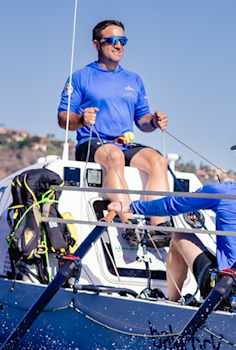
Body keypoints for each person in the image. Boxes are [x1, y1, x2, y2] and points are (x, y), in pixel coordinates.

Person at [109, 132, 236, 306]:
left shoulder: (223, 192)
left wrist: (130, 207)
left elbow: (171, 205)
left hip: (231, 292)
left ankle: (172, 304)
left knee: (178, 235)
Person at [59, 19, 173, 244]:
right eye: (112, 40)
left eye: (123, 40)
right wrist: (81, 119)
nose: (118, 45)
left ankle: (159, 227)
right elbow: (63, 118)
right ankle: (129, 222)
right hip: (91, 143)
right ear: (96, 44)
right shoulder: (80, 77)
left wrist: (154, 121)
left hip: (124, 143)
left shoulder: (134, 79)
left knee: (158, 161)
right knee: (115, 156)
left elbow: (142, 120)